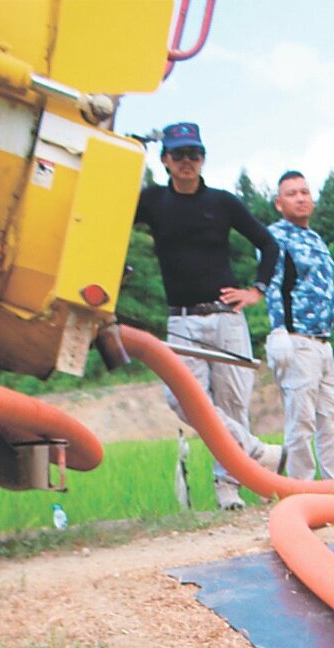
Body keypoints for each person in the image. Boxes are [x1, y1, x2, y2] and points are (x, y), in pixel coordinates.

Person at [134, 121, 283, 510]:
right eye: (178, 154)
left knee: (232, 403)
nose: (186, 161)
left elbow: (268, 245)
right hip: (181, 321)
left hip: (227, 317)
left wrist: (256, 291)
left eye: (194, 154)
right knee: (182, 399)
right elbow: (111, 216)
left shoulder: (222, 202)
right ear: (165, 159)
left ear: (203, 159)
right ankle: (253, 449)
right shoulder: (152, 202)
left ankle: (228, 489)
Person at [263, 170, 334, 480]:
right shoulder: (275, 236)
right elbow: (272, 286)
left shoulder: (316, 239)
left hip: (322, 342)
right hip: (295, 340)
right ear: (279, 203)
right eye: (292, 193)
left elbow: (325, 289)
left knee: (332, 420)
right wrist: (277, 330)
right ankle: (301, 490)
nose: (300, 198)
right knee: (301, 423)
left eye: (304, 192)